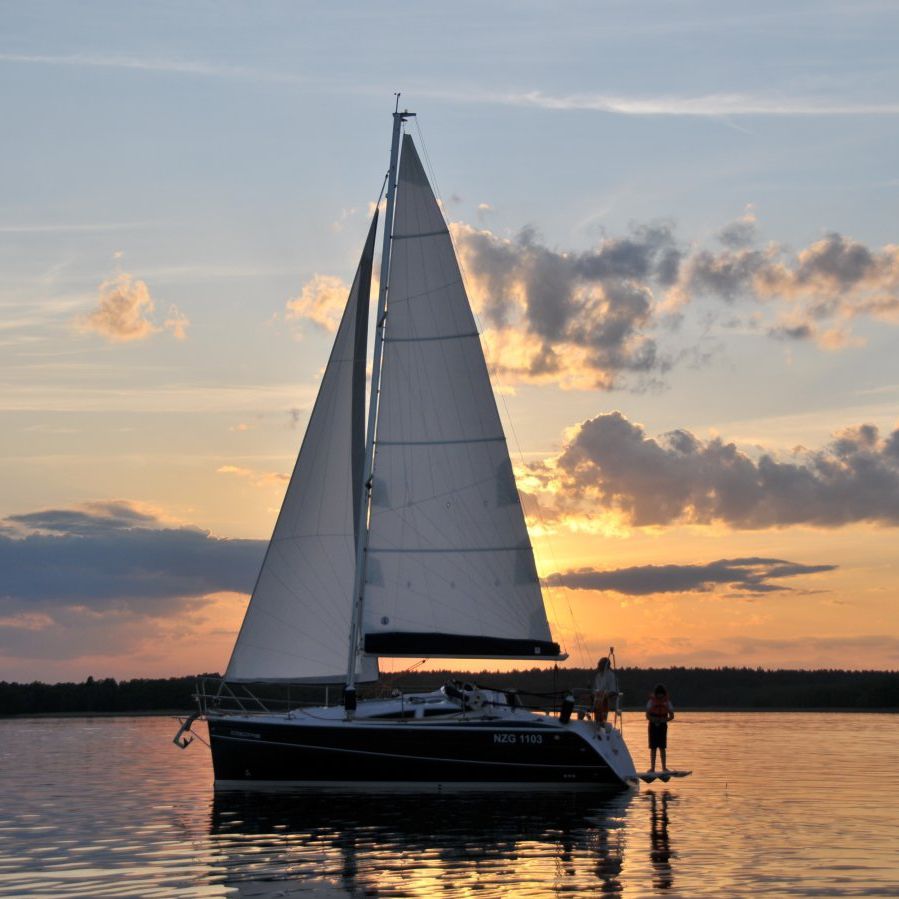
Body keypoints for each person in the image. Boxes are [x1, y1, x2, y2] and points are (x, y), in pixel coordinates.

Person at [646, 683, 675, 771]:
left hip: (663, 726)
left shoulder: (667, 703)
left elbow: (672, 715)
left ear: (664, 694)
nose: (659, 695)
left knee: (662, 747)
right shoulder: (651, 702)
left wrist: (664, 720)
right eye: (658, 694)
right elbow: (647, 715)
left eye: (661, 694)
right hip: (653, 726)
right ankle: (652, 768)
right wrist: (654, 720)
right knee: (653, 747)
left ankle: (664, 768)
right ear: (655, 694)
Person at [592, 657, 618, 725]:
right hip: (598, 696)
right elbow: (596, 688)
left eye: (600, 664)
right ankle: (580, 721)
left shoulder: (611, 675)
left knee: (602, 697)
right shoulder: (598, 675)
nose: (598, 665)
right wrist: (594, 692)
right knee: (585, 696)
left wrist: (603, 693)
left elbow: (613, 690)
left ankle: (602, 721)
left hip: (609, 697)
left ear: (605, 665)